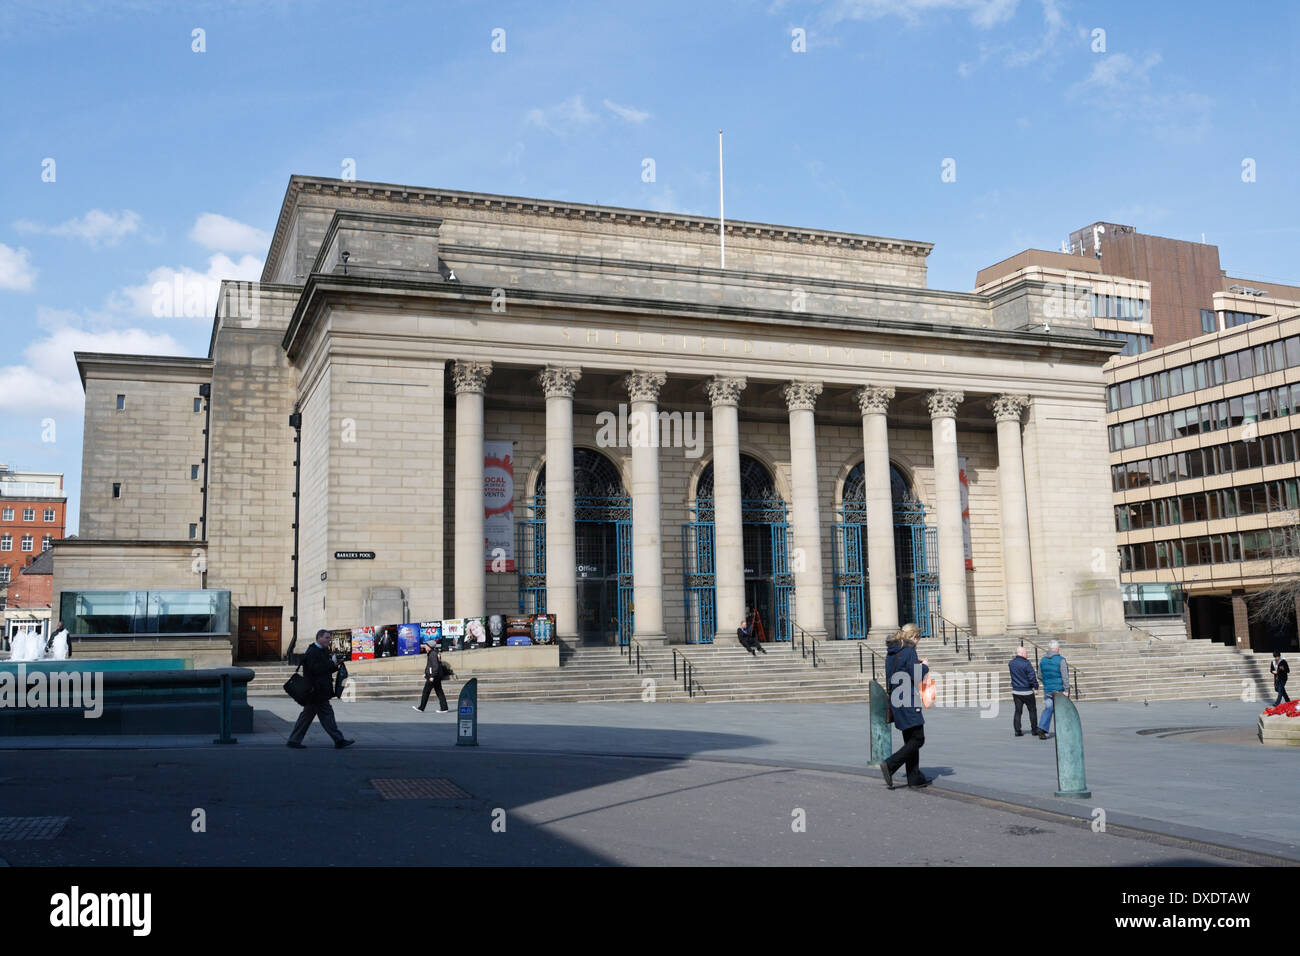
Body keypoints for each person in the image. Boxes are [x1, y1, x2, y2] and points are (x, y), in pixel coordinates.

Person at [287, 629, 354, 749]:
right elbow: (315, 670)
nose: (329, 640)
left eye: (329, 638)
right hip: (316, 691)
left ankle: (294, 740)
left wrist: (335, 665)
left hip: (317, 691)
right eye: (327, 638)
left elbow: (323, 669)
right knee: (326, 715)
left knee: (307, 717)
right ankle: (338, 740)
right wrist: (331, 664)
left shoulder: (321, 651)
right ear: (319, 638)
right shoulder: (313, 651)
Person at [880, 622, 929, 789]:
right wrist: (924, 666)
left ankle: (914, 778)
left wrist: (915, 662)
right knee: (918, 739)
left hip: (896, 699)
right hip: (908, 699)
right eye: (918, 639)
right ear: (914, 637)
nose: (917, 642)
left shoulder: (892, 652)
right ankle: (890, 764)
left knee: (910, 738)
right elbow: (916, 676)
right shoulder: (908, 651)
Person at [1008, 646, 1044, 738]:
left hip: (1016, 691)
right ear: (1022, 653)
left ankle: (1017, 730)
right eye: (1026, 652)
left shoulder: (1011, 663)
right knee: (1032, 710)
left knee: (1018, 711)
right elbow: (1031, 677)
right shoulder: (1026, 663)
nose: (1027, 654)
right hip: (1027, 691)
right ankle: (1034, 729)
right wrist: (1036, 687)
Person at [1037, 640, 1069, 740]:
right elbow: (1065, 676)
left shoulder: (1042, 660)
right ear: (1057, 649)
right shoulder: (1061, 660)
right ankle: (1062, 730)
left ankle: (1042, 728)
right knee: (1061, 710)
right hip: (1059, 690)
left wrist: (1046, 683)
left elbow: (1039, 675)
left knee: (1048, 708)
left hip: (1048, 689)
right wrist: (1066, 689)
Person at [413, 638, 450, 714]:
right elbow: (431, 666)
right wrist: (426, 674)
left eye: (426, 645)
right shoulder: (433, 653)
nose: (425, 647)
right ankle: (444, 708)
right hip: (435, 676)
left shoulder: (432, 654)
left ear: (430, 646)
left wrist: (432, 676)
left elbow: (435, 666)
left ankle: (421, 708)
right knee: (439, 691)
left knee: (426, 692)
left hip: (433, 677)